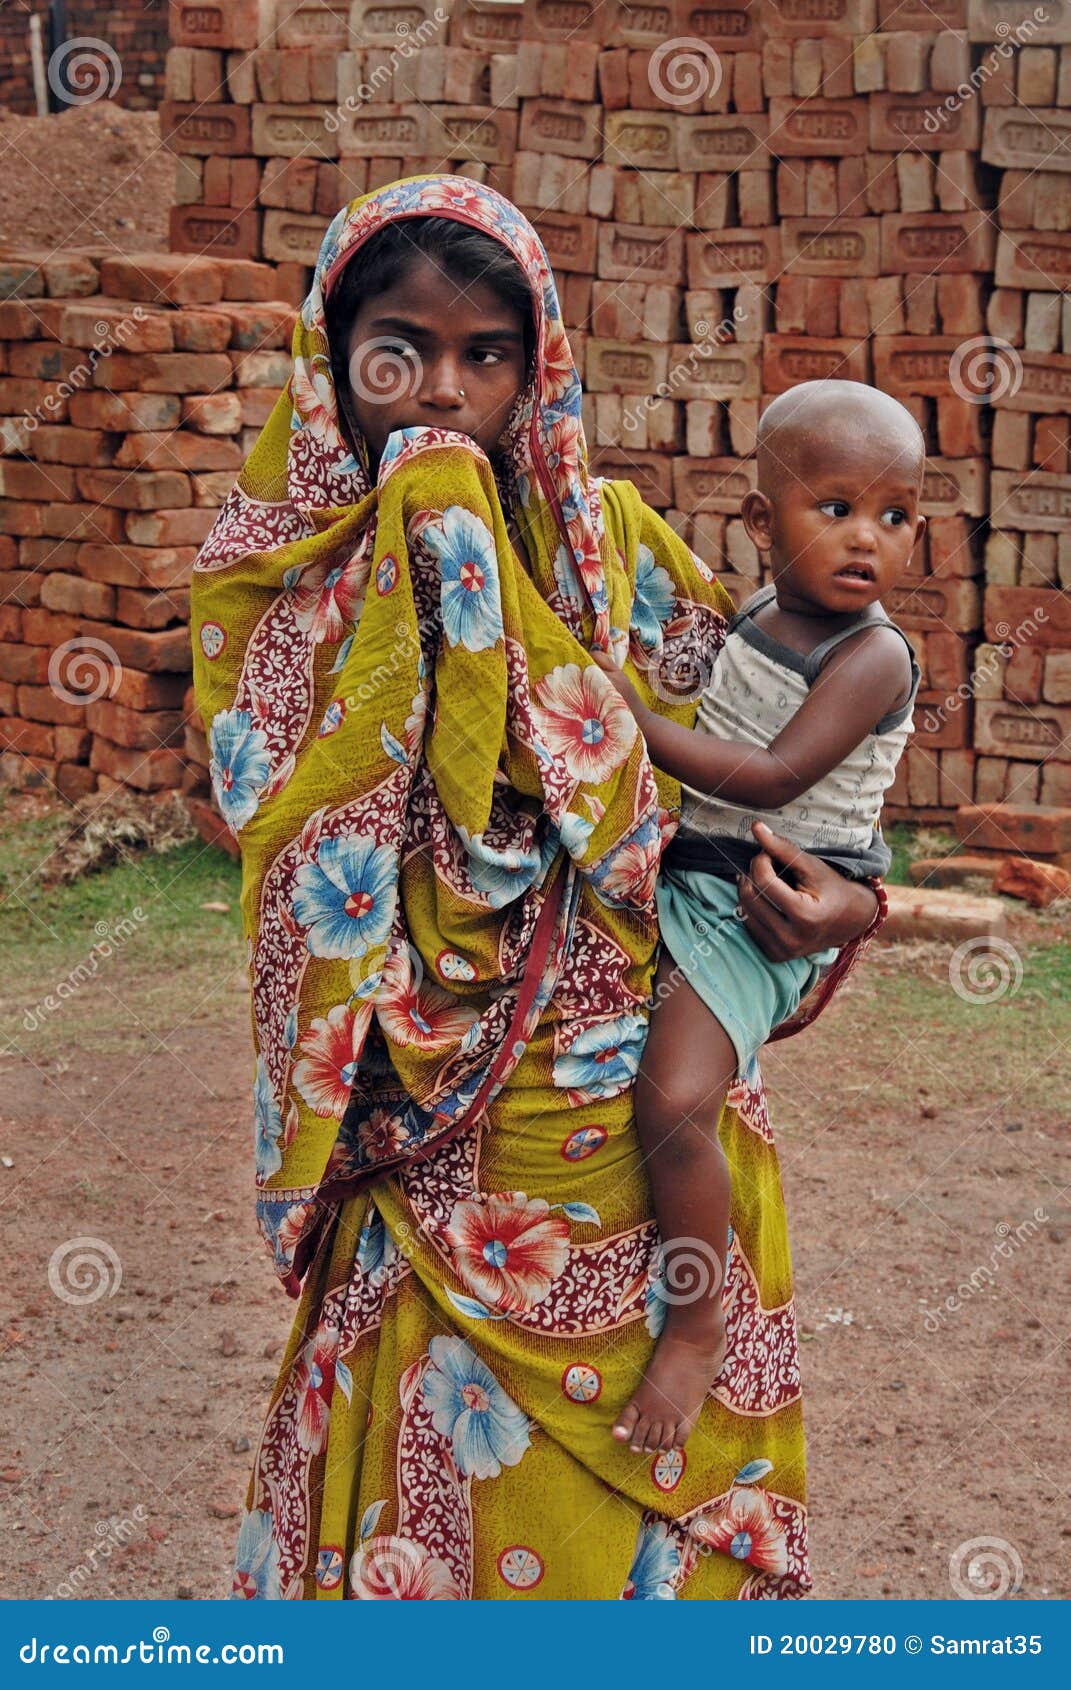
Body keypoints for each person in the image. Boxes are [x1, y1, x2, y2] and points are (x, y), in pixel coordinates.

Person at [190, 174, 885, 1601]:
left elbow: (794, 766)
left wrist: (856, 906)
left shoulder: (611, 554)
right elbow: (285, 838)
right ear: (334, 359)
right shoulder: (281, 581)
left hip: (628, 1124)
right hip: (422, 1140)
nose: (439, 390)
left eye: (483, 355)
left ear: (536, 366)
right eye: (398, 349)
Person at [592, 381, 924, 1457]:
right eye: (834, 508)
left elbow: (776, 777)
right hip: (695, 871)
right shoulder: (753, 619)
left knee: (677, 1097)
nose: (867, 539)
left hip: (768, 902)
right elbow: (693, 680)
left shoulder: (870, 656)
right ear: (757, 521)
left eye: (896, 515)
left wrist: (625, 720)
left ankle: (696, 1325)